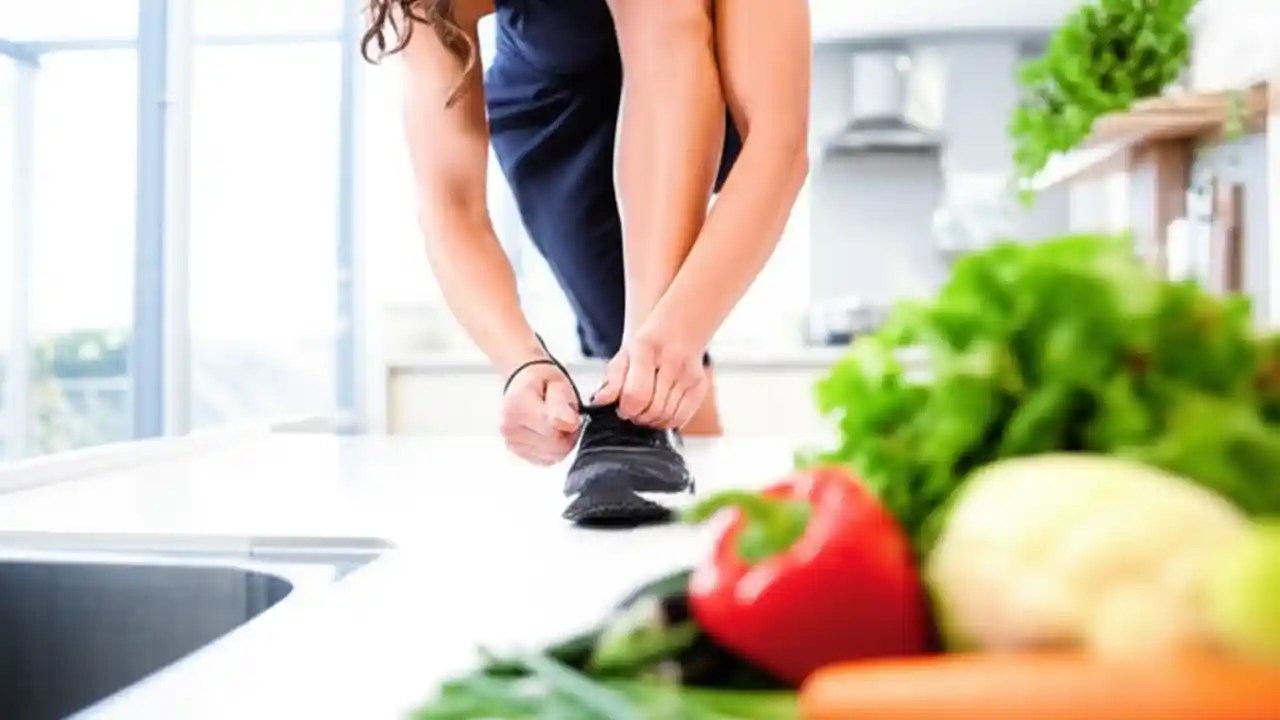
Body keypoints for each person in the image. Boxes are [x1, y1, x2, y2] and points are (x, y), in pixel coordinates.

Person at [363, 0, 810, 524]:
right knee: (649, 397)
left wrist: (673, 333)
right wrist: (520, 363)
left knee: (661, 361)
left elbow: (778, 143)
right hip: (557, 107)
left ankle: (698, 501)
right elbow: (451, 207)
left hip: (689, 48)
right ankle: (695, 533)